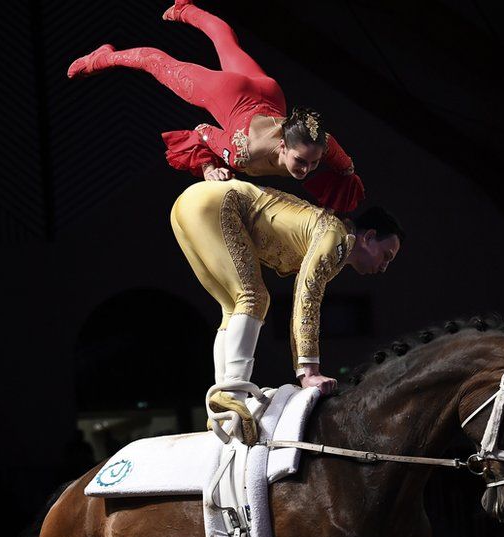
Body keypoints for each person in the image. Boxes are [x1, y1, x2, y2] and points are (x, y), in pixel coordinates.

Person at [68, 1, 365, 212]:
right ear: (284, 147)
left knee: (227, 41)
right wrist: (209, 166)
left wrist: (346, 175)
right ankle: (102, 57)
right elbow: (202, 132)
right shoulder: (243, 153)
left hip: (269, 93)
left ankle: (185, 8)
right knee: (158, 64)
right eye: (302, 161)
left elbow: (344, 166)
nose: (309, 169)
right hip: (229, 95)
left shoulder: (319, 142)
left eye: (313, 163)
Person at [170, 179, 403, 443]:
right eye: (387, 256)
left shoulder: (332, 235)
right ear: (369, 237)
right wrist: (309, 371)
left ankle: (223, 400)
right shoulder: (336, 237)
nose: (385, 266)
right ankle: (232, 394)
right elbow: (307, 294)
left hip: (188, 205)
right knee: (253, 297)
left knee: (233, 306)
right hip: (216, 204)